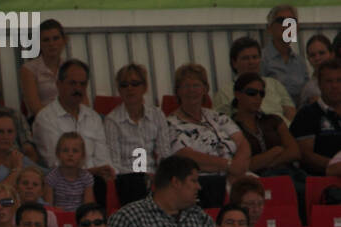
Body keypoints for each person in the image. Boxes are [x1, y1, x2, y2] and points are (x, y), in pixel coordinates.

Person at [165, 63, 251, 205]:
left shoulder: (218, 117)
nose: (191, 90)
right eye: (186, 86)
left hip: (235, 175)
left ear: (205, 89)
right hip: (202, 184)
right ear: (177, 91)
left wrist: (237, 169)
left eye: (196, 85)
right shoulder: (169, 124)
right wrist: (229, 166)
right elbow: (186, 156)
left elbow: (242, 143)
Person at [32, 60, 114, 194]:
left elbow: (103, 159)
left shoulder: (93, 117)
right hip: (63, 185)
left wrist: (103, 172)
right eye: (72, 83)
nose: (78, 89)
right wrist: (92, 173)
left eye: (82, 84)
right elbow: (55, 164)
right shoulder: (45, 118)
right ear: (58, 84)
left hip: (96, 182)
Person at [104, 64, 170, 207]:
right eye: (124, 85)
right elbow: (114, 163)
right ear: (119, 90)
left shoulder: (157, 115)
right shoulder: (112, 120)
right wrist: (140, 178)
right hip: (126, 179)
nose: (129, 88)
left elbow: (164, 153)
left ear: (145, 87)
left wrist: (157, 177)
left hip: (154, 177)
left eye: (135, 84)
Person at [227, 71, 301, 180]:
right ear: (237, 94)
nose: (258, 97)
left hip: (288, 174)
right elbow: (243, 166)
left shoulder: (274, 120)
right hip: (254, 181)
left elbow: (295, 152)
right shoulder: (229, 126)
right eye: (251, 93)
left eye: (262, 94)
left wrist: (266, 163)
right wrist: (274, 152)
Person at [214, 39, 296, 120]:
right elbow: (223, 124)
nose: (251, 62)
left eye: (255, 57)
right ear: (234, 63)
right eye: (245, 58)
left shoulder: (274, 84)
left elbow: (291, 113)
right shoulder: (224, 93)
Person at [289, 55, 341, 175]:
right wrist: (335, 166)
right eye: (329, 81)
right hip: (323, 182)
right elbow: (305, 154)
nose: (334, 86)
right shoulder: (306, 114)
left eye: (339, 80)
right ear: (319, 84)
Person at [19, 17, 67, 119]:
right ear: (39, 43)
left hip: (71, 119)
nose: (51, 44)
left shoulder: (70, 67)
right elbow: (35, 108)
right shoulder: (29, 69)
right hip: (42, 121)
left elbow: (84, 102)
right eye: (46, 40)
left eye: (56, 38)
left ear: (64, 40)